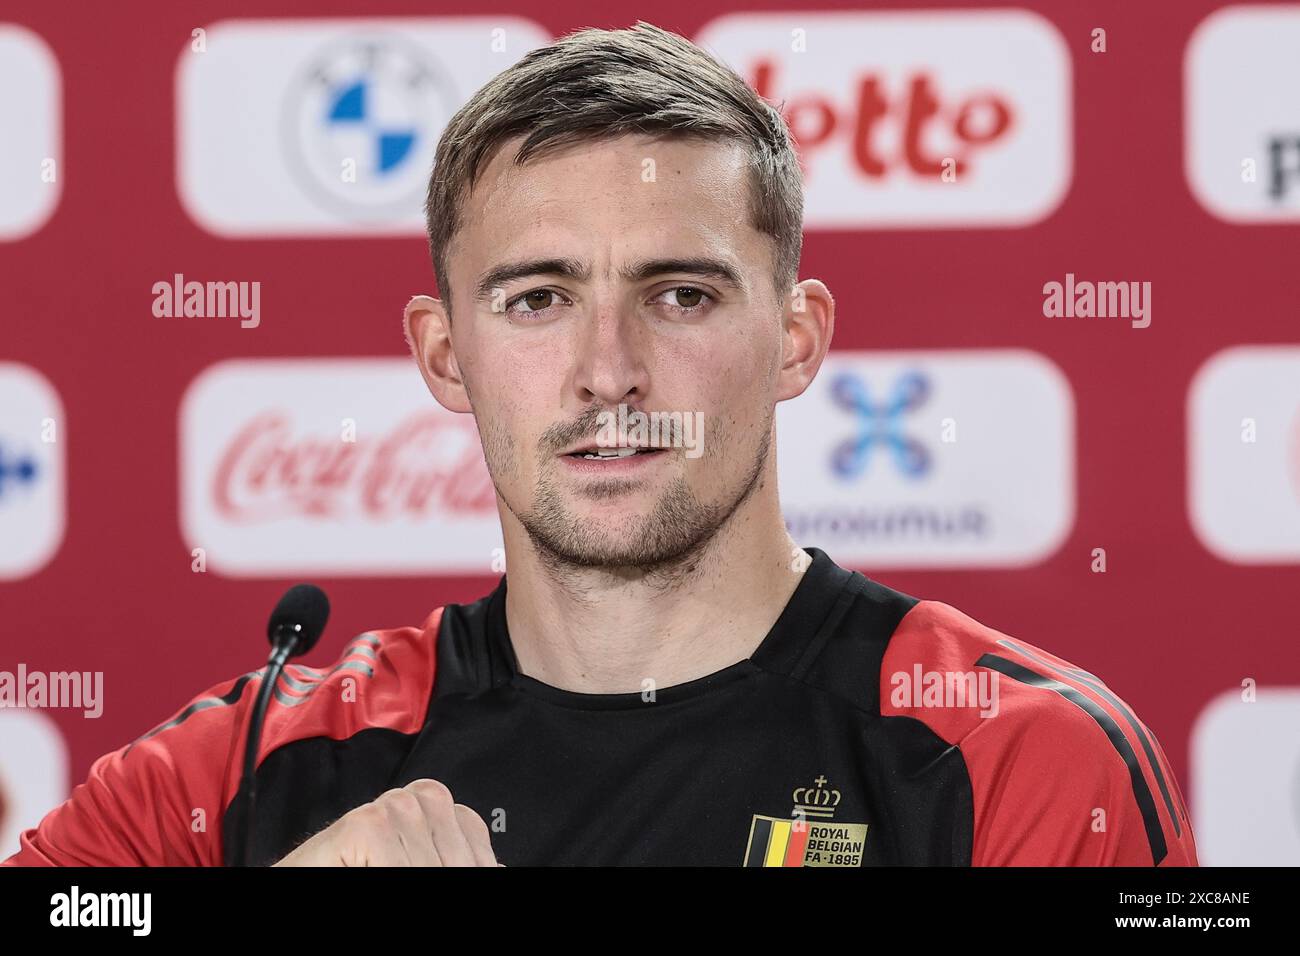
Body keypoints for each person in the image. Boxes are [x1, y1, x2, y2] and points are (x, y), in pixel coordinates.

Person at [3, 21, 1196, 867]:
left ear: (794, 338)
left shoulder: (1019, 755)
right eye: (537, 298)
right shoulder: (254, 762)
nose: (608, 370)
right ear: (443, 355)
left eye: (679, 294)